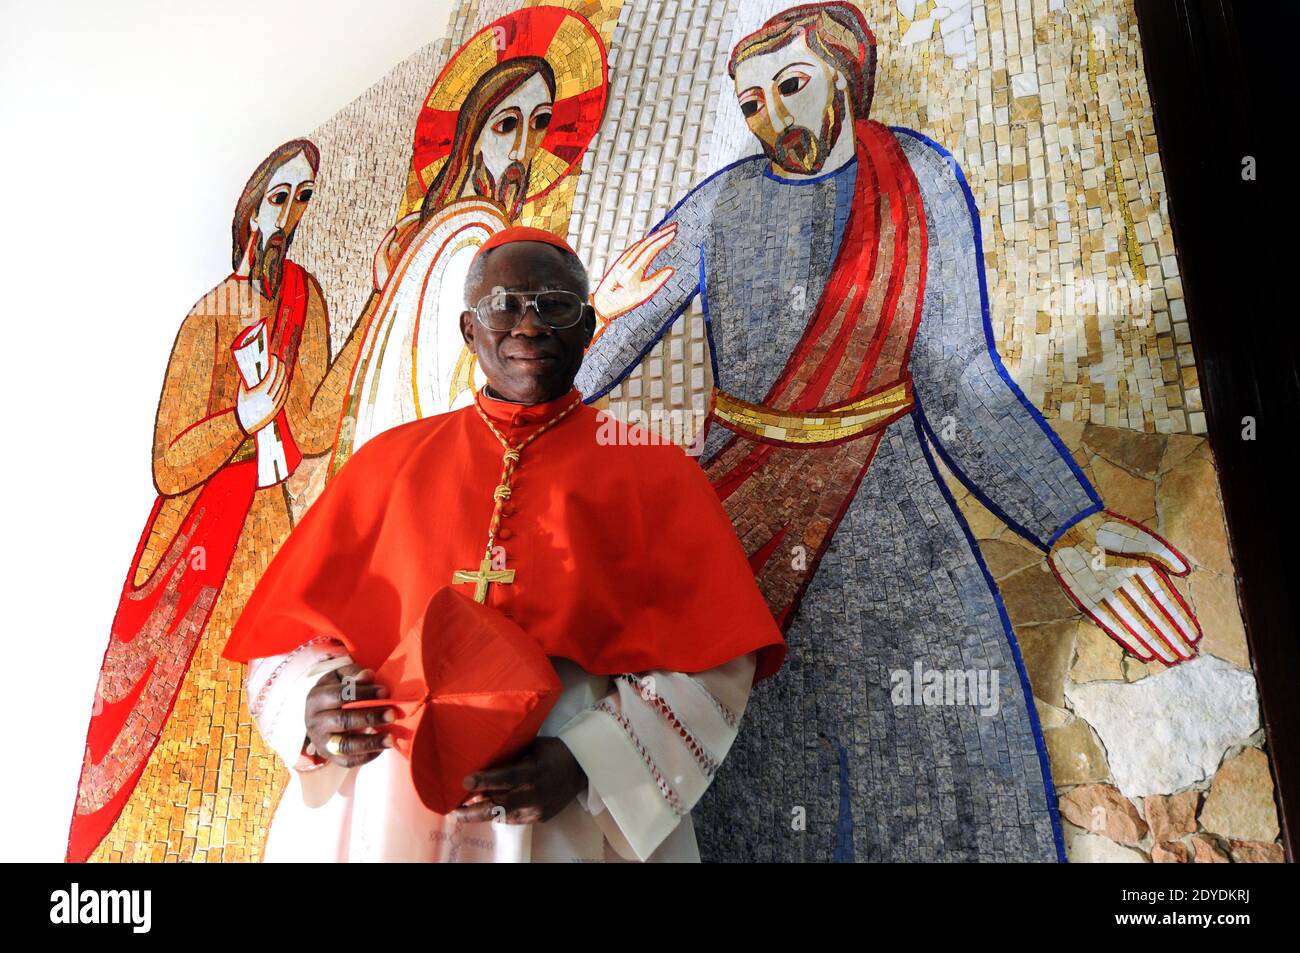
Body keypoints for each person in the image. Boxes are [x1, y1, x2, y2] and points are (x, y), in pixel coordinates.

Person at [576, 3, 1199, 861]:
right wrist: (583, 314)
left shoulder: (918, 180)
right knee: (752, 779)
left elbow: (962, 378)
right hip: (742, 517)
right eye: (751, 102)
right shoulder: (721, 204)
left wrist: (1069, 521)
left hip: (895, 504)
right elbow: (594, 360)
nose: (773, 116)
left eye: (792, 85)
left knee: (953, 757)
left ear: (846, 77)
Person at [221, 226, 786, 862]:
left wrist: (586, 762)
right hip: (386, 790)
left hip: (562, 800)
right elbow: (286, 637)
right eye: (504, 305)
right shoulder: (386, 463)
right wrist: (314, 703)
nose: (529, 326)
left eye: (555, 306)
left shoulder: (655, 473)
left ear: (586, 326)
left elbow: (716, 661)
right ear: (469, 331)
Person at [68, 139, 367, 862]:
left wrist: (376, 304)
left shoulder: (307, 299)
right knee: (186, 712)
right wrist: (240, 417)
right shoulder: (210, 314)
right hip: (201, 541)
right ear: (250, 208)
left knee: (262, 712)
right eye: (278, 197)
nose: (289, 215)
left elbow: (318, 424)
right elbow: (169, 463)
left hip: (268, 529)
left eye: (302, 199)